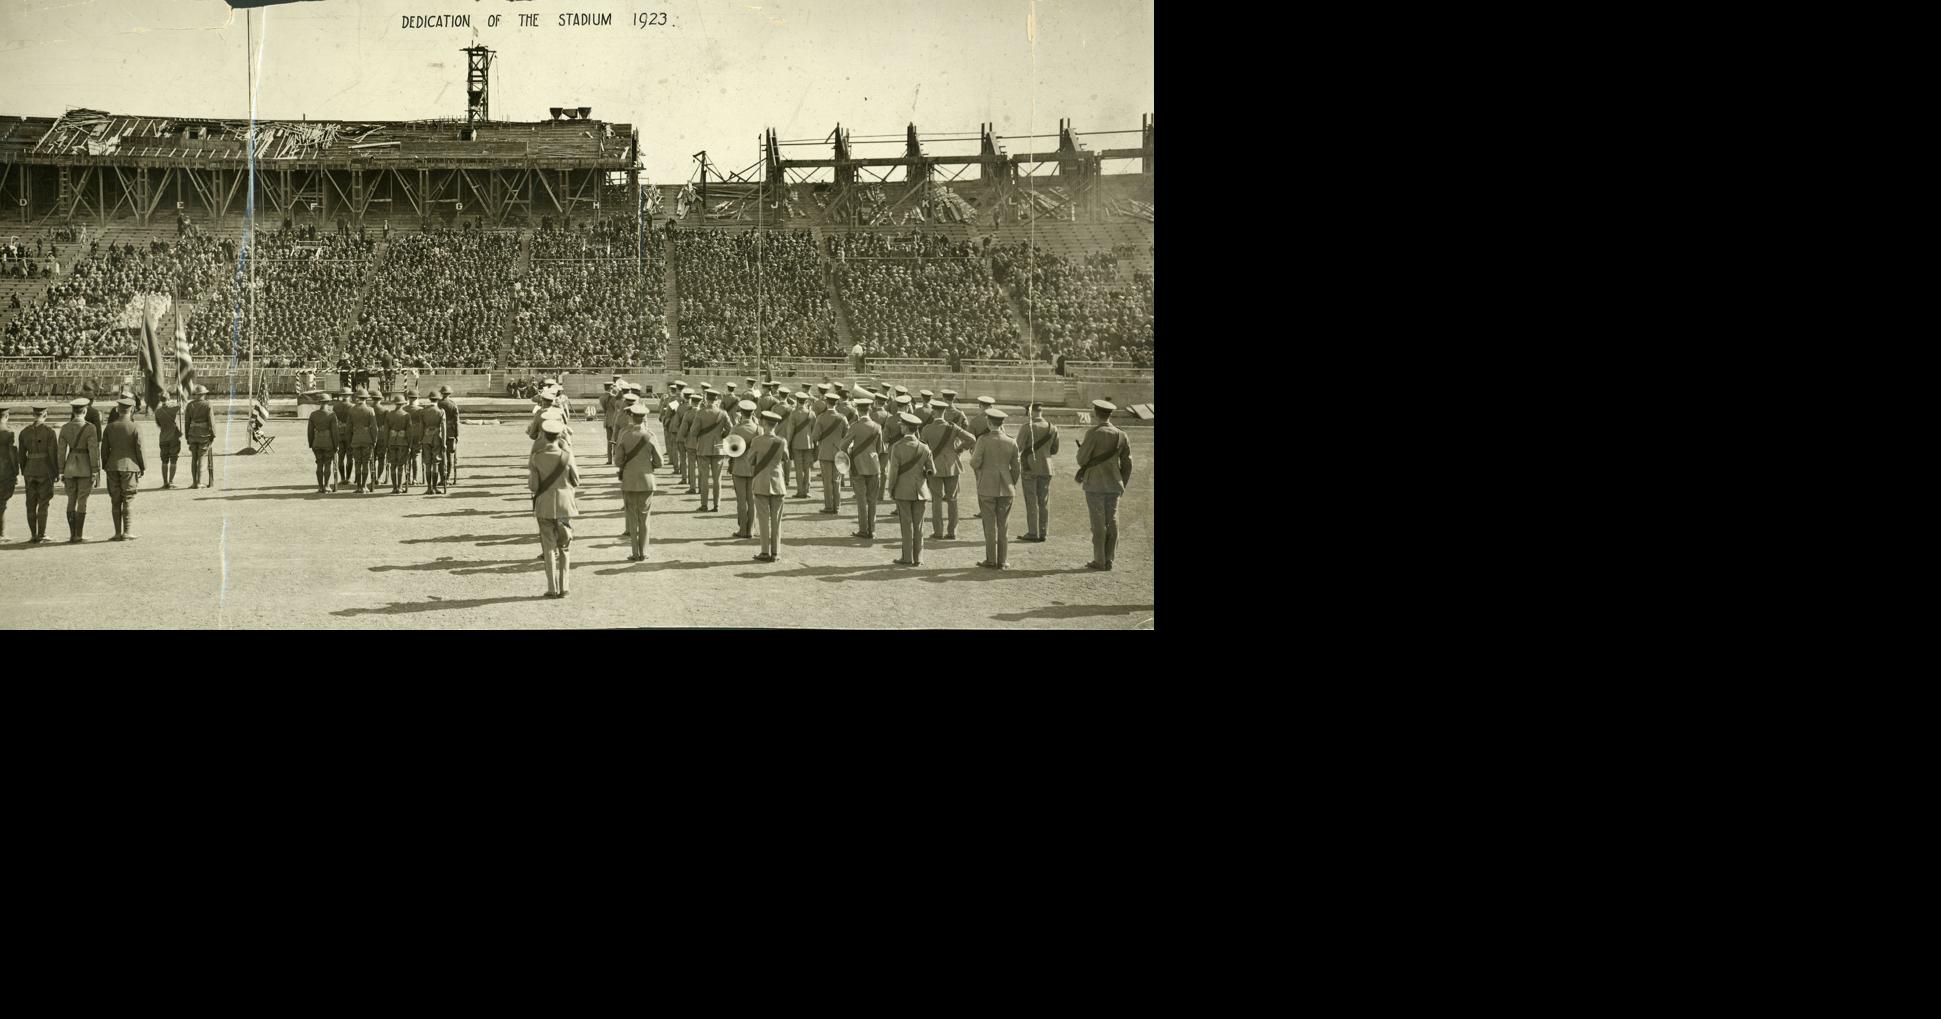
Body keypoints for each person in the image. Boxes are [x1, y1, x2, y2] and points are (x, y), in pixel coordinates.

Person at [1076, 399, 1134, 571]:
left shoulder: (1093, 433)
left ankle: (1099, 560)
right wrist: (1122, 481)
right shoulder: (1121, 434)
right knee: (1113, 521)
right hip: (1114, 484)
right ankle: (1109, 559)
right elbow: (1128, 463)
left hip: (1095, 484)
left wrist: (1081, 452)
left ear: (1096, 413)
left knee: (1098, 523)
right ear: (1110, 414)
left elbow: (1081, 460)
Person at [529, 416, 581, 598]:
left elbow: (533, 486)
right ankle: (564, 586)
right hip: (564, 505)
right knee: (565, 547)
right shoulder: (566, 456)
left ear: (543, 435)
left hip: (544, 505)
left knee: (549, 548)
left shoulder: (536, 457)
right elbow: (576, 480)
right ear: (559, 435)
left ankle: (551, 587)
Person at [969, 407, 1020, 569]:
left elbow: (974, 462)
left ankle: (991, 559)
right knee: (1003, 525)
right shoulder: (1011, 441)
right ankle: (1003, 560)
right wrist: (1011, 482)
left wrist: (982, 472)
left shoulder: (983, 440)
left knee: (989, 524)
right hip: (1007, 487)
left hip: (987, 486)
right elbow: (1017, 468)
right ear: (1002, 423)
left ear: (989, 423)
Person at [882, 410, 934, 566]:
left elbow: (894, 472)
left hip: (903, 490)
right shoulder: (924, 447)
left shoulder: (897, 447)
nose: (901, 428)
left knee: (906, 525)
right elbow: (933, 470)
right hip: (921, 491)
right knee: (919, 526)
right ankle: (918, 558)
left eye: (902, 425)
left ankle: (906, 557)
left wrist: (890, 489)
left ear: (906, 428)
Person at [918, 399, 975, 540]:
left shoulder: (927, 429)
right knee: (952, 499)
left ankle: (938, 532)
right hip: (952, 467)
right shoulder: (953, 427)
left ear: (933, 412)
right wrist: (959, 448)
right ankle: (952, 532)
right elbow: (972, 439)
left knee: (936, 500)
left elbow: (923, 449)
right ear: (944, 412)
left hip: (934, 467)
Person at [615, 402, 662, 562]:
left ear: (632, 417)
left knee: (632, 519)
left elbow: (618, 461)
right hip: (647, 481)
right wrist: (649, 465)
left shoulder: (625, 435)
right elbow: (659, 462)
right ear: (644, 418)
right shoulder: (650, 435)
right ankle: (644, 552)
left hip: (629, 481)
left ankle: (635, 552)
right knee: (645, 519)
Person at [58, 396, 101, 542]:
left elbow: (61, 452)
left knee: (71, 499)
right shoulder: (90, 428)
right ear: (85, 410)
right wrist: (95, 469)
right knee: (82, 500)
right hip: (85, 467)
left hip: (70, 467)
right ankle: (79, 535)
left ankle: (72, 534)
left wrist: (61, 470)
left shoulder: (65, 428)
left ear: (73, 411)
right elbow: (93, 450)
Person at [102, 395, 145, 540]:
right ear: (132, 410)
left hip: (112, 466)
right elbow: (139, 449)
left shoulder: (109, 427)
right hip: (130, 466)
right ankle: (127, 531)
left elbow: (104, 450)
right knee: (128, 499)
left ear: (117, 410)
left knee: (115, 499)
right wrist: (142, 466)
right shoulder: (135, 427)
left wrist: (106, 465)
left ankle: (117, 532)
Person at [748, 410, 788, 563]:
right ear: (776, 424)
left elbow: (750, 460)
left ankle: (764, 552)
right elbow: (786, 458)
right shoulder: (782, 441)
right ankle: (776, 552)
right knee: (777, 520)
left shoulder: (757, 441)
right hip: (778, 484)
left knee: (763, 519)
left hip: (761, 482)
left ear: (764, 423)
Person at [1016, 401, 1059, 542]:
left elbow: (1018, 448)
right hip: (1047, 468)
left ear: (1030, 412)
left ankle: (1033, 532)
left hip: (1030, 468)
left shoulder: (1027, 427)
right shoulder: (1052, 428)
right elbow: (1054, 450)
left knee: (1031, 501)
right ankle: (1043, 532)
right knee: (1043, 502)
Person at [843, 395, 884, 540]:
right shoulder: (877, 427)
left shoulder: (855, 426)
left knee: (861, 500)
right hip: (874, 466)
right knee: (872, 500)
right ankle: (872, 530)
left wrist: (851, 453)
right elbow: (879, 449)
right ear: (869, 409)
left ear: (858, 411)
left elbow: (843, 447)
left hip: (858, 466)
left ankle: (863, 529)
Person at [15, 405, 58, 542]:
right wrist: (55, 472)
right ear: (45, 414)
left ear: (33, 414)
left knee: (30, 503)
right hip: (45, 470)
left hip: (29, 470)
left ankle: (33, 534)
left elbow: (21, 455)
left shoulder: (24, 432)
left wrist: (24, 470)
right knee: (44, 502)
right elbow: (53, 454)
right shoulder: (50, 431)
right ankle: (41, 534)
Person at [689, 389, 732, 513]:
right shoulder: (722, 413)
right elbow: (730, 428)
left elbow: (693, 432)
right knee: (717, 479)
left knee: (704, 479)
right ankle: (716, 505)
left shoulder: (701, 413)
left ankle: (704, 505)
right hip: (718, 448)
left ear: (706, 399)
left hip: (703, 448)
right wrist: (721, 436)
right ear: (716, 399)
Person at [727, 400, 760, 539]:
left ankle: (742, 529)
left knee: (741, 500)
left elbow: (729, 449)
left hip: (739, 467)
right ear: (753, 413)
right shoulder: (759, 429)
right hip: (754, 468)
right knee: (752, 500)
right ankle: (751, 530)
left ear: (741, 412)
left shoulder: (735, 428)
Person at [813, 392, 847, 514]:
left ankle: (828, 506)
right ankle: (837, 506)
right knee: (837, 480)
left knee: (827, 481)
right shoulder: (842, 418)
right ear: (836, 403)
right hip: (838, 452)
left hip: (825, 452)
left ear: (827, 403)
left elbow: (815, 436)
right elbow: (846, 435)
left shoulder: (821, 418)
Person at [783, 391, 816, 499]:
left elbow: (790, 431)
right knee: (807, 469)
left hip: (796, 443)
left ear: (797, 401)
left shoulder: (794, 413)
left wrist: (788, 443)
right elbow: (814, 430)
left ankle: (800, 491)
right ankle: (807, 490)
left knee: (798, 468)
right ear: (806, 401)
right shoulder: (811, 413)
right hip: (809, 444)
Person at [307, 393, 341, 494]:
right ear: (328, 402)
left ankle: (320, 486)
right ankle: (326, 485)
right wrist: (336, 445)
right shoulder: (331, 414)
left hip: (317, 442)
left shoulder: (313, 414)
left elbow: (309, 431)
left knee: (319, 464)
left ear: (319, 402)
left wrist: (311, 443)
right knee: (327, 464)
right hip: (328, 443)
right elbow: (335, 432)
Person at [184, 383, 214, 488]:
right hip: (204, 435)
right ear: (203, 394)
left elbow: (186, 422)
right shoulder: (207, 404)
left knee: (194, 458)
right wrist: (213, 435)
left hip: (192, 434)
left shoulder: (189, 405)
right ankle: (199, 482)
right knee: (201, 458)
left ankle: (194, 482)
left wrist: (187, 436)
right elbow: (211, 422)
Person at [348, 389, 378, 493]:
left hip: (355, 439)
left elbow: (348, 428)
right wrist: (374, 440)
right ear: (366, 398)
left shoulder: (352, 410)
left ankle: (358, 486)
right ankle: (364, 486)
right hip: (367, 439)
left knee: (357, 463)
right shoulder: (370, 410)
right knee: (365, 463)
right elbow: (374, 428)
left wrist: (350, 440)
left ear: (357, 397)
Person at [417, 396, 447, 496]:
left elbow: (421, 427)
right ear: (437, 400)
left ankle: (429, 487)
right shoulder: (441, 411)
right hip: (437, 439)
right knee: (436, 463)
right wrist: (444, 442)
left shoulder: (423, 411)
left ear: (430, 399)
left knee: (427, 463)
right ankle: (434, 487)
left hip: (426, 438)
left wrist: (421, 439)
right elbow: (443, 428)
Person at [384, 394, 412, 493]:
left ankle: (394, 487)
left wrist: (387, 443)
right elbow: (409, 431)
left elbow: (386, 430)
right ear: (403, 404)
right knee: (400, 465)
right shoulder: (406, 415)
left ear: (395, 403)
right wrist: (410, 443)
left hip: (391, 442)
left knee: (392, 465)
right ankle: (400, 486)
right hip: (403, 442)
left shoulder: (389, 414)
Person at [153, 393, 181, 489]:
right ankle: (171, 481)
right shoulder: (174, 409)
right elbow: (182, 406)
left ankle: (165, 482)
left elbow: (158, 424)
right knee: (173, 459)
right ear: (169, 398)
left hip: (163, 437)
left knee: (164, 461)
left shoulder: (157, 411)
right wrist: (180, 393)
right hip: (173, 437)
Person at [332, 387, 355, 485]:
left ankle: (342, 478)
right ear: (350, 395)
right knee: (350, 457)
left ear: (341, 395)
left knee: (340, 456)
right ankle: (349, 478)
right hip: (350, 434)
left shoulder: (336, 407)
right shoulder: (353, 406)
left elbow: (334, 421)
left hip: (339, 433)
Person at [438, 385, 460, 483]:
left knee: (440, 455)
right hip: (450, 432)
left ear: (442, 393)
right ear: (449, 393)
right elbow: (456, 422)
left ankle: (442, 478)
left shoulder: (438, 404)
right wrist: (457, 434)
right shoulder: (453, 404)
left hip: (439, 432)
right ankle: (448, 478)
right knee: (450, 456)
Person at [0, 407, 15, 539]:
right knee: (2, 504)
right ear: (6, 416)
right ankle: (1, 532)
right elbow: (12, 454)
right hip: (4, 471)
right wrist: (16, 472)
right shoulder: (8, 432)